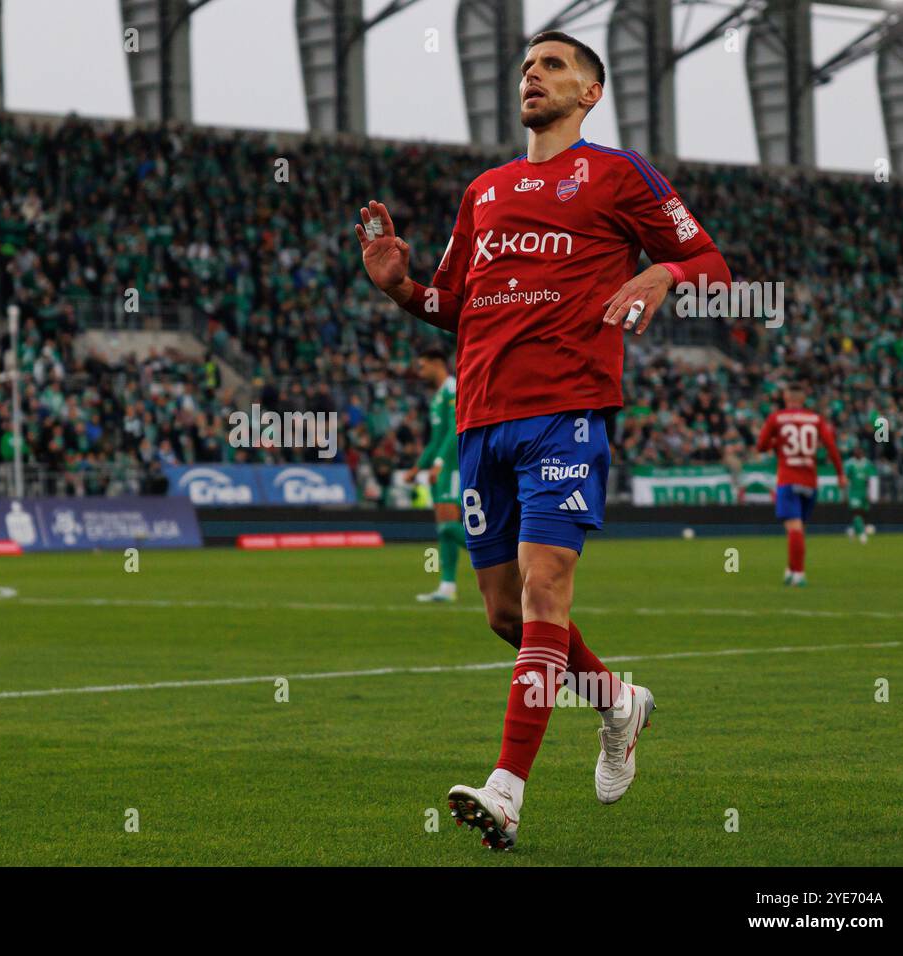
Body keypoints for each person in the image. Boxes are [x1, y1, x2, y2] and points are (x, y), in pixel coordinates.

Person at [355, 31, 731, 850]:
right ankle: (619, 705)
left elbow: (712, 263)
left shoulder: (617, 173)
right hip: (480, 423)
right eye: (527, 65)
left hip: (566, 410)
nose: (534, 74)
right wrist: (400, 290)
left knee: (544, 597)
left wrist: (662, 272)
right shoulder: (483, 192)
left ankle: (507, 791)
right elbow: (452, 309)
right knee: (502, 613)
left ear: (591, 92)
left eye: (554, 65)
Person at [756, 381, 845, 585]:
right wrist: (840, 474)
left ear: (787, 398)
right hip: (810, 481)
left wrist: (776, 443)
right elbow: (831, 447)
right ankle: (790, 570)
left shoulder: (776, 418)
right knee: (797, 528)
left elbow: (761, 446)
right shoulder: (815, 419)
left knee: (794, 528)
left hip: (788, 479)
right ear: (803, 399)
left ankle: (799, 574)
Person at [404, 347, 466, 602]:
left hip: (453, 466)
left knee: (450, 526)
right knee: (444, 527)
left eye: (423, 366)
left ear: (437, 363)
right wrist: (418, 467)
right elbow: (435, 438)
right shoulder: (438, 397)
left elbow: (455, 428)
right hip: (442, 466)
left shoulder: (452, 389)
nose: (420, 372)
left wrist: (440, 462)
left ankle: (504, 554)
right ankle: (447, 586)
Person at [844, 445, 877, 543]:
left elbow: (872, 479)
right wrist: (845, 492)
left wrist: (871, 493)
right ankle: (862, 534)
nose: (858, 453)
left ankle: (852, 530)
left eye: (860, 451)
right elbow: (845, 478)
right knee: (856, 512)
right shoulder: (849, 464)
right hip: (854, 492)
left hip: (864, 492)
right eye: (856, 451)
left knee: (862, 514)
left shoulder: (867, 464)